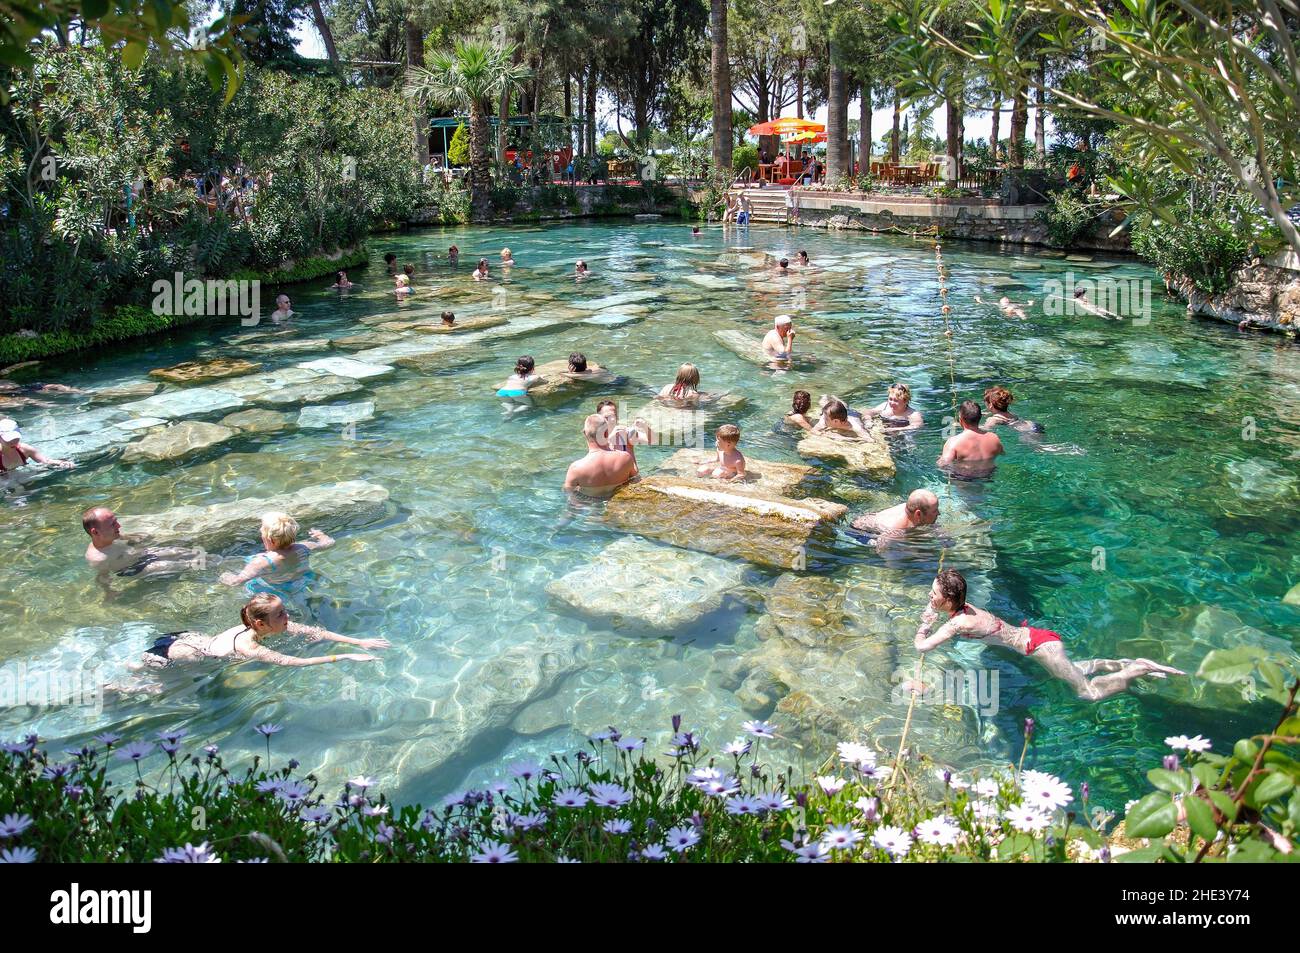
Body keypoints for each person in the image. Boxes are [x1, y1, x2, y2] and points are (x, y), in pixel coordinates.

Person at [914, 568, 1185, 701]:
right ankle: (1127, 665)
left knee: (1087, 692)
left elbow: (923, 647)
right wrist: (933, 609)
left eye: (933, 593)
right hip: (1040, 638)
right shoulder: (966, 609)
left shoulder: (957, 624)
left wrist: (924, 626)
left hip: (1039, 647)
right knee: (1077, 668)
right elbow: (945, 607)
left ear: (948, 598)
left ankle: (1135, 670)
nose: (929, 595)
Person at [140, 593, 388, 669]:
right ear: (260, 624)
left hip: (183, 638)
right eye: (280, 614)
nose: (287, 616)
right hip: (167, 656)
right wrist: (344, 655)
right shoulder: (249, 646)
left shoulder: (260, 625)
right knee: (147, 688)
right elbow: (292, 661)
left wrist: (359, 641)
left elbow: (317, 632)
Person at [82, 507, 202, 591]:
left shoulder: (112, 536)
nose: (119, 526)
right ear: (95, 532)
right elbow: (102, 577)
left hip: (145, 554)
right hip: (136, 569)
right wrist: (109, 592)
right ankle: (216, 567)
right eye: (112, 524)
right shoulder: (98, 558)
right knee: (191, 564)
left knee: (186, 552)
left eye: (116, 521)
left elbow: (131, 539)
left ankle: (211, 558)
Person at [219, 512, 333, 599]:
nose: (260, 529)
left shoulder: (262, 562)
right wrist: (320, 534)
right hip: (303, 581)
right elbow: (328, 543)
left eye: (262, 529)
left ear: (270, 540)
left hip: (276, 589)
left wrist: (222, 574)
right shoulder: (304, 547)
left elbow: (236, 582)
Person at [563, 414, 638, 496]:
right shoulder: (625, 458)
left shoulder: (576, 468)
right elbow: (635, 479)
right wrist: (629, 447)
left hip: (591, 505)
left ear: (585, 433)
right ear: (606, 433)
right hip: (617, 502)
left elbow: (569, 494)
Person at [937, 399, 1004, 474]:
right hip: (989, 475)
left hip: (965, 477)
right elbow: (1002, 454)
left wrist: (940, 458)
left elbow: (943, 465)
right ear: (980, 417)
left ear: (960, 419)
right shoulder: (994, 438)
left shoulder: (953, 442)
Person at [851, 489, 940, 536]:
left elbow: (930, 525)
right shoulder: (894, 532)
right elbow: (888, 559)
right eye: (935, 511)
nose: (939, 514)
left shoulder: (913, 506)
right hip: (859, 533)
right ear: (918, 514)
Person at [1, 417, 73, 474]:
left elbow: (45, 461)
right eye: (9, 440)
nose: (13, 443)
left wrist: (61, 463)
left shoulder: (24, 449)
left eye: (15, 439)